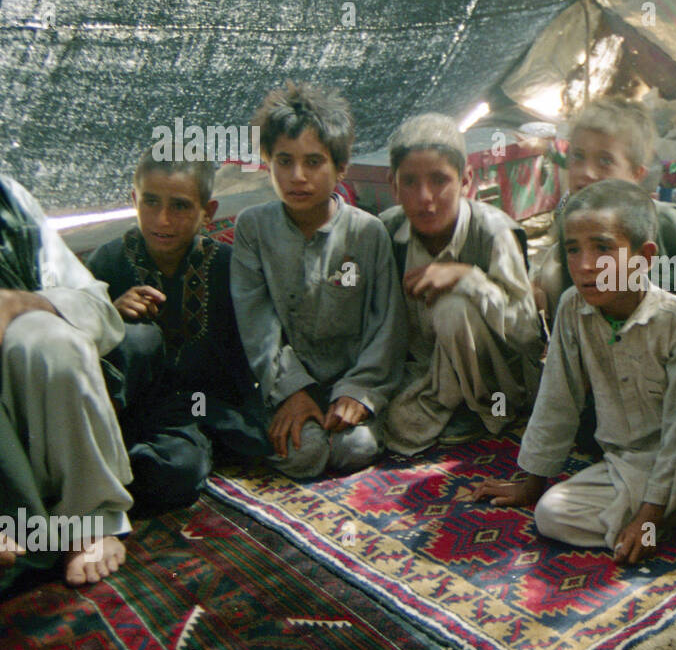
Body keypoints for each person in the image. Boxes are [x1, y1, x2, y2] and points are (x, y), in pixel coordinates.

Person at [472, 180, 676, 563]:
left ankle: (667, 513)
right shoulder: (572, 308)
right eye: (572, 250)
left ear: (644, 257)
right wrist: (532, 482)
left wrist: (649, 516)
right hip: (623, 465)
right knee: (551, 514)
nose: (583, 266)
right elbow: (557, 397)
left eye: (602, 248)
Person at [231, 81, 406, 478]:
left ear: (340, 167)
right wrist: (291, 391)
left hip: (350, 379)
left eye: (314, 162)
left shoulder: (367, 232)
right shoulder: (253, 229)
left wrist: (359, 391)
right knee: (303, 455)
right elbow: (257, 323)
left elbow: (386, 326)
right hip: (282, 382)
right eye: (284, 161)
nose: (298, 176)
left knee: (355, 448)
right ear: (266, 162)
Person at [88, 152, 269, 515]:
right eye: (150, 202)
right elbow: (80, 351)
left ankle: (124, 471)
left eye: (180, 206)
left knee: (183, 470)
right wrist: (109, 314)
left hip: (192, 409)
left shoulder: (228, 266)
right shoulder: (107, 262)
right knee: (136, 338)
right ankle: (101, 465)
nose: (162, 219)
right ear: (133, 200)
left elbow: (250, 352)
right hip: (122, 411)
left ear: (208, 212)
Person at [380, 113, 542, 453]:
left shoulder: (492, 232)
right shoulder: (386, 234)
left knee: (452, 308)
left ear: (466, 180)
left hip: (498, 380)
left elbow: (527, 333)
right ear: (393, 186)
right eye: (410, 182)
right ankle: (446, 403)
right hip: (425, 370)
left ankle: (481, 410)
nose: (425, 197)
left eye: (439, 180)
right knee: (386, 428)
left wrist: (469, 278)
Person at [0, 174, 132, 587]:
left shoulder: (9, 201)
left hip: (15, 382)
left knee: (53, 340)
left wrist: (21, 304)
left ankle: (86, 520)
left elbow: (97, 309)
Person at [531, 98, 676, 323]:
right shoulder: (571, 225)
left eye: (605, 161)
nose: (586, 172)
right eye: (578, 157)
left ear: (637, 175)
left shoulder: (667, 222)